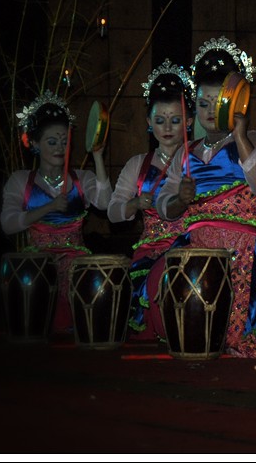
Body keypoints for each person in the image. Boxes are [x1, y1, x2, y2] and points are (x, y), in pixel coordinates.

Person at [155, 37, 256, 357]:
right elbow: (163, 204)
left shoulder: (255, 141)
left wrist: (241, 138)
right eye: (203, 103)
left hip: (246, 243)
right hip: (198, 242)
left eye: (218, 101)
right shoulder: (186, 151)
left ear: (235, 102)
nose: (210, 111)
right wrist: (179, 200)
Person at [0, 90, 113, 334]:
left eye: (64, 141)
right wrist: (48, 207)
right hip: (38, 261)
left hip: (75, 261)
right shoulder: (21, 181)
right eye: (52, 142)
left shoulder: (82, 178)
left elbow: (105, 203)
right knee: (39, 274)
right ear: (35, 144)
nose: (60, 148)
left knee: (80, 275)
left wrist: (98, 157)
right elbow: (8, 224)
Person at [107, 59, 194, 340]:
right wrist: (135, 204)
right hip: (151, 249)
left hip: (189, 247)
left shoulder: (198, 160)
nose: (167, 127)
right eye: (160, 120)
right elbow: (112, 211)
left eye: (175, 120)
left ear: (189, 121)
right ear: (148, 123)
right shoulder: (137, 165)